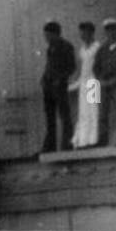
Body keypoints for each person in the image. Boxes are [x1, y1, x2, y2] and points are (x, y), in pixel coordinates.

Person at [92, 18, 116, 147]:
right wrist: (100, 80)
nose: (111, 33)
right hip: (103, 85)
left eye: (113, 29)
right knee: (102, 113)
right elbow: (95, 67)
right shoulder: (102, 49)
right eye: (108, 30)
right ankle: (102, 140)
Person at [40, 21, 77, 153]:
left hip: (59, 87)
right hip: (49, 87)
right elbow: (49, 65)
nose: (46, 37)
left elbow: (71, 67)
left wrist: (60, 79)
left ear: (54, 34)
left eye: (47, 35)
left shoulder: (66, 46)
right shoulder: (50, 47)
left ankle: (67, 144)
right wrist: (44, 79)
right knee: (50, 118)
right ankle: (50, 146)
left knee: (64, 116)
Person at [71, 21, 100, 149]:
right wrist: (74, 83)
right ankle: (83, 141)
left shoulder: (97, 47)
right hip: (83, 83)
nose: (82, 35)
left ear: (91, 33)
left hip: (93, 82)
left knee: (93, 111)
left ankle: (93, 141)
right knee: (83, 112)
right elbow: (80, 69)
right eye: (81, 32)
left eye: (85, 32)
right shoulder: (82, 49)